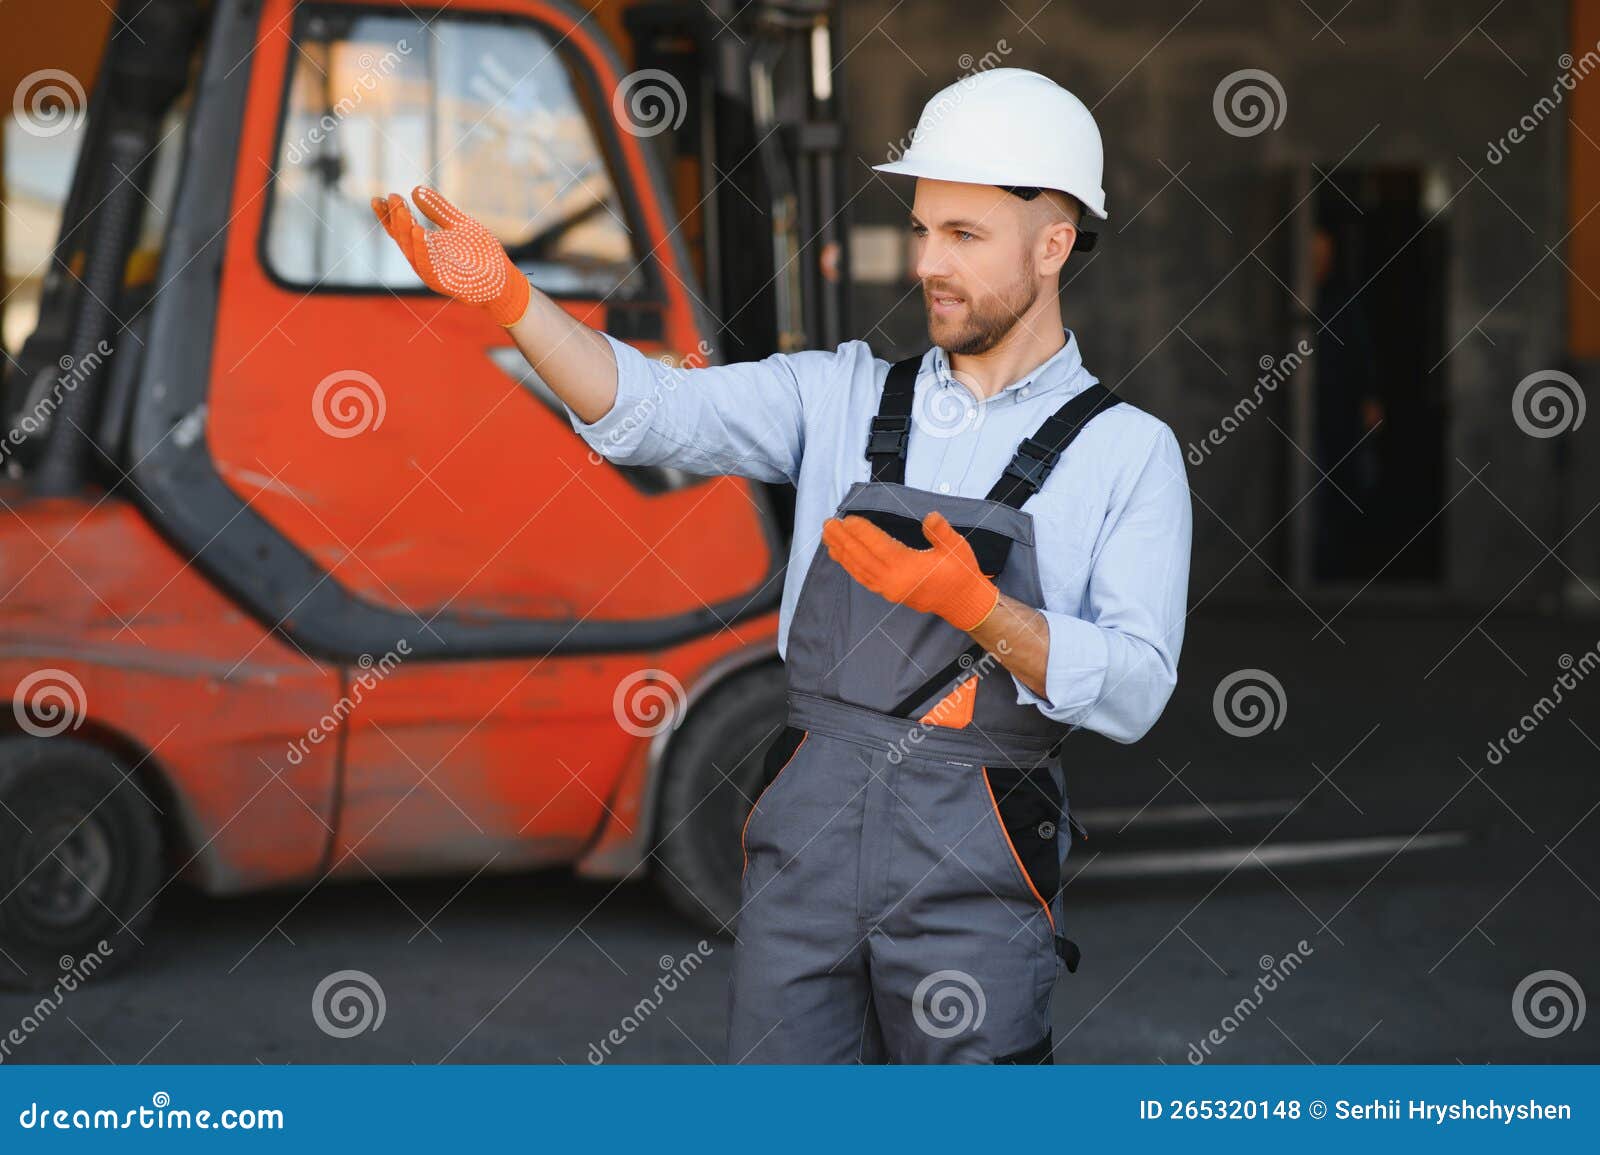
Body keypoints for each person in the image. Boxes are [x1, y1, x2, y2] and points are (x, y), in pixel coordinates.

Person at [372, 67, 1192, 1064]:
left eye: (964, 236)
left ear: (1053, 243)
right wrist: (510, 299)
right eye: (924, 228)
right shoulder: (835, 395)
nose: (928, 261)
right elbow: (648, 413)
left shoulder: (1125, 452)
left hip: (974, 856)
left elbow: (1138, 688)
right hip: (809, 836)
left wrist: (979, 608)